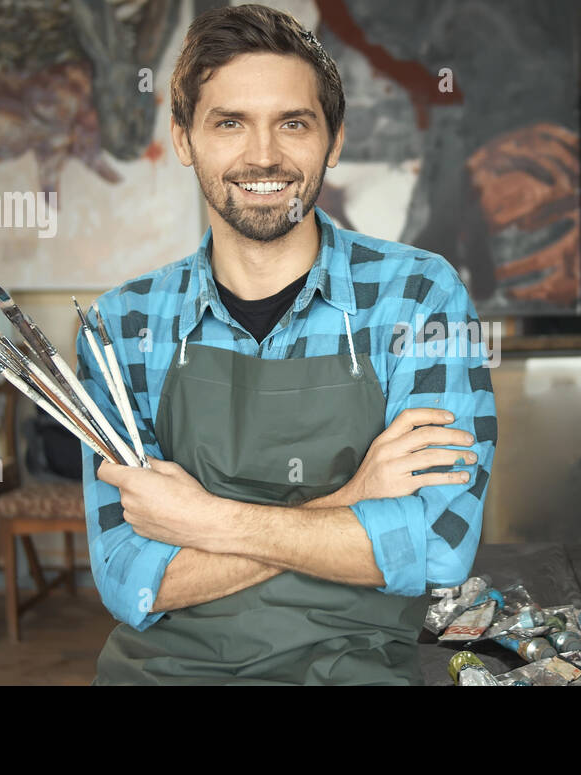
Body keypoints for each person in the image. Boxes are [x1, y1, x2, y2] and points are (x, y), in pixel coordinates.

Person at [77, 4, 497, 685]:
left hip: (351, 668)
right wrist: (352, 497)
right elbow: (131, 580)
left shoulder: (417, 297)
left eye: (293, 123)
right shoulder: (123, 324)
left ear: (333, 141)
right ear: (183, 138)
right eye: (229, 122)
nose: (263, 155)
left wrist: (202, 520)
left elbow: (437, 547)